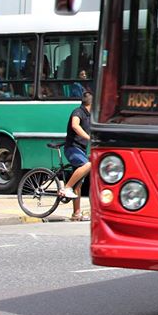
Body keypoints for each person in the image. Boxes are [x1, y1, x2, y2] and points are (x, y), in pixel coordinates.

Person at [60, 91, 93, 221]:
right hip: (72, 149)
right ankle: (66, 188)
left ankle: (76, 213)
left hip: (81, 150)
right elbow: (75, 125)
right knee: (88, 165)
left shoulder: (90, 115)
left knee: (78, 183)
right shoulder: (78, 112)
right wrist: (88, 137)